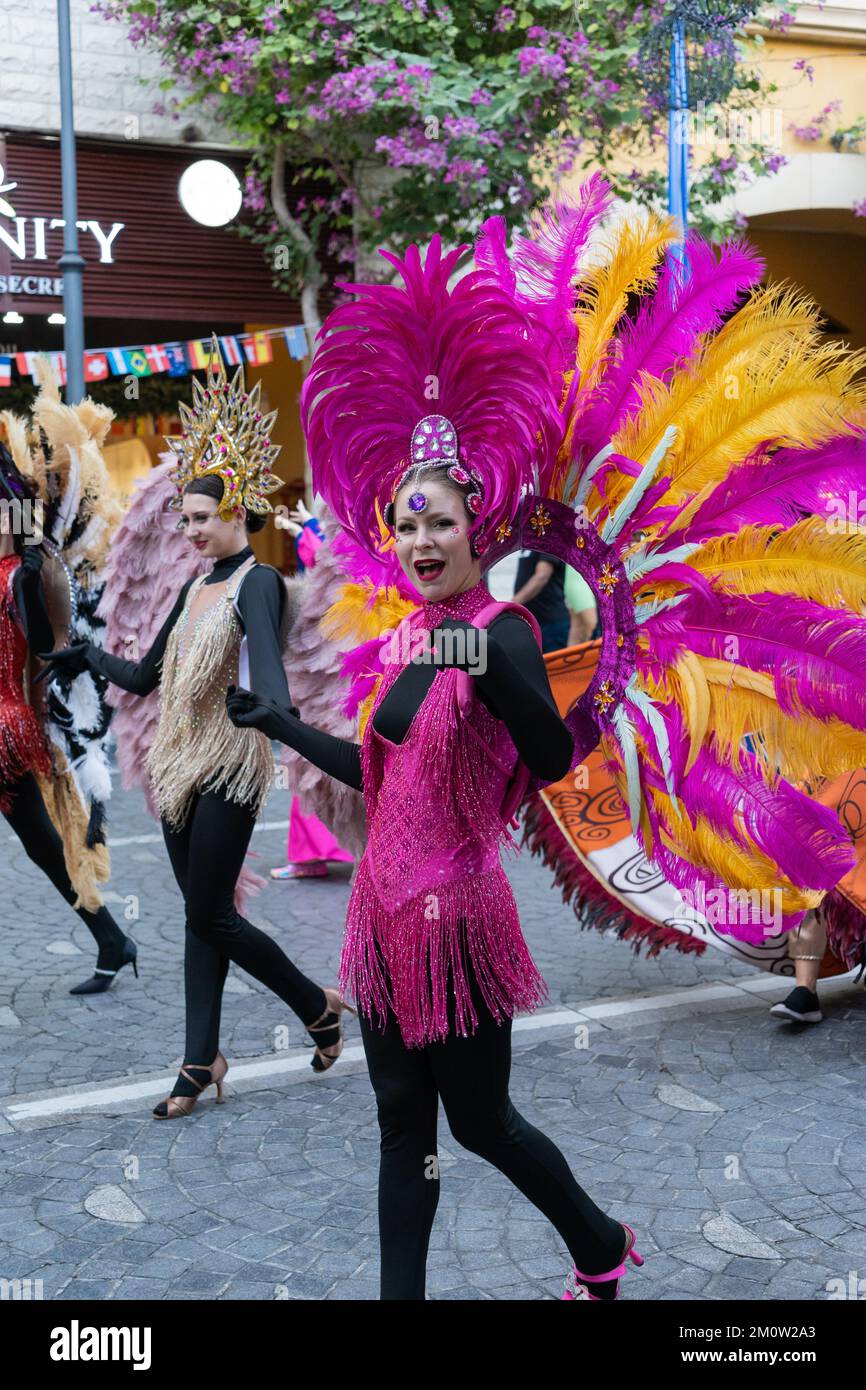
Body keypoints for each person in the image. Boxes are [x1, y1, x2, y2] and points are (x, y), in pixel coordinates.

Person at [227, 239, 643, 1301]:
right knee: (400, 1126)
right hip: (377, 917)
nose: (419, 537)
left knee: (481, 1121)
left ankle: (596, 1241)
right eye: (406, 521)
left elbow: (550, 757)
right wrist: (278, 719)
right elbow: (379, 779)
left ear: (475, 528)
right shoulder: (411, 639)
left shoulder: (498, 632)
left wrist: (496, 673)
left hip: (455, 919)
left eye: (439, 521)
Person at [39, 344, 352, 1116]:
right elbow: (147, 676)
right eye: (185, 521)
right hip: (178, 763)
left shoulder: (260, 582)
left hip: (231, 764)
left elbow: (270, 677)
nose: (192, 532)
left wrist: (272, 715)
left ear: (236, 513)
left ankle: (315, 1003)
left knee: (211, 912)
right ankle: (199, 1058)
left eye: (204, 519)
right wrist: (87, 654)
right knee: (199, 914)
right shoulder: (193, 586)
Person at [0, 442, 135, 995]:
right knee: (40, 843)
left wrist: (32, 573)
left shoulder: (16, 575)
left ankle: (110, 937)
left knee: (42, 841)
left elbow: (38, 637)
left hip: (4, 727)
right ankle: (110, 938)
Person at [270, 499, 354, 882]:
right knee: (309, 762)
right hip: (326, 661)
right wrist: (304, 530)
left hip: (340, 663)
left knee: (326, 760)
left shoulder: (354, 544)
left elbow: (326, 557)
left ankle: (333, 849)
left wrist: (306, 531)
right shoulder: (339, 535)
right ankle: (315, 853)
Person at [512, 548, 570, 652]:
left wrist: (512, 604)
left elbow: (542, 576)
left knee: (551, 667)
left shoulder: (549, 537)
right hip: (532, 624)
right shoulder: (528, 540)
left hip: (551, 624)